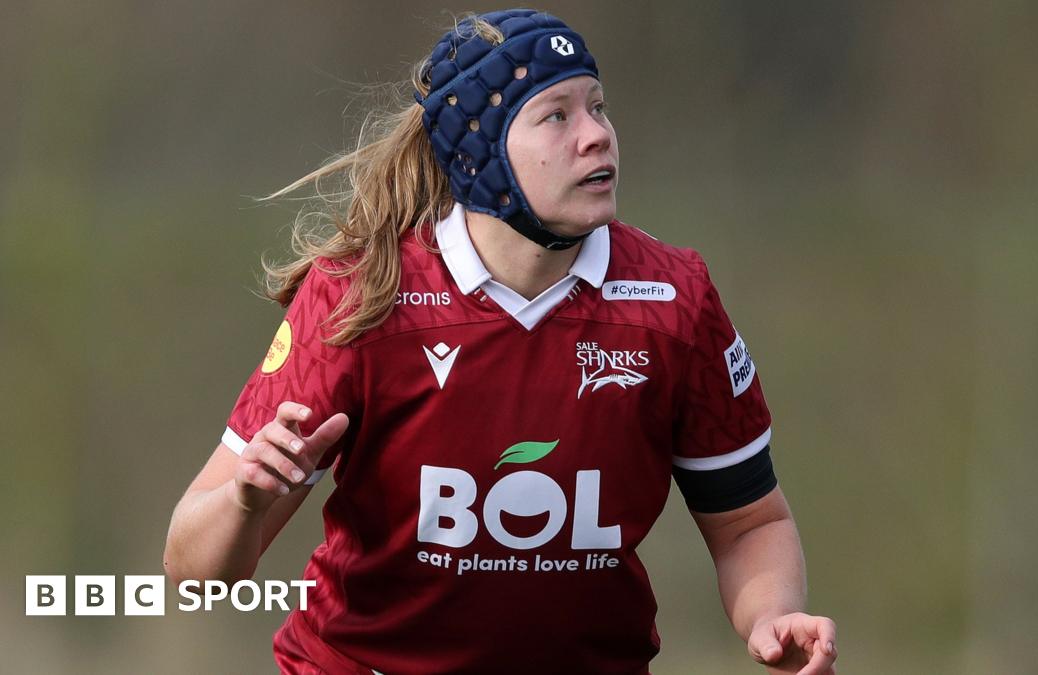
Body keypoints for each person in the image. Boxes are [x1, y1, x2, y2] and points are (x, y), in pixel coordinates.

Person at [163, 9, 836, 674]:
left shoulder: (673, 300)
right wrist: (244, 502)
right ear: (479, 151)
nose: (598, 136)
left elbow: (749, 523)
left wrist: (771, 616)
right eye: (557, 116)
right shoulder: (363, 298)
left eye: (598, 108)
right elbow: (191, 569)